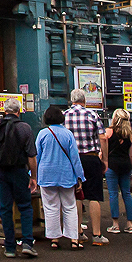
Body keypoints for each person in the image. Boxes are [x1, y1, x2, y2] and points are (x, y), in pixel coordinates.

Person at [0, 96, 38, 258]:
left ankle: (9, 247)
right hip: (19, 170)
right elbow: (31, 155)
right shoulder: (25, 128)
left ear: (4, 110)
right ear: (19, 111)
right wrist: (33, 176)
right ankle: (27, 242)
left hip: (1, 171)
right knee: (25, 207)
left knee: (5, 208)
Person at [36, 105, 85, 250]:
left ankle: (54, 238)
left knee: (50, 207)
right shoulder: (68, 134)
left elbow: (36, 156)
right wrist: (79, 176)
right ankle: (74, 239)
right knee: (70, 207)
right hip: (66, 175)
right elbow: (74, 157)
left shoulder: (42, 134)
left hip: (46, 175)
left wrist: (32, 175)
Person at [65, 89, 107, 246]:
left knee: (77, 195)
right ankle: (97, 235)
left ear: (71, 100)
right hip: (91, 157)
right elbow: (103, 137)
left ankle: (77, 232)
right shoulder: (92, 115)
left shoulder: (64, 115)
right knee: (94, 196)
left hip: (71, 160)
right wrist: (105, 159)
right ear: (84, 100)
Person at [103, 109, 132, 234]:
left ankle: (115, 224)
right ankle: (130, 224)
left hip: (112, 165)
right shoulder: (131, 134)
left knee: (113, 194)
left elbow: (104, 150)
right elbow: (131, 154)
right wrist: (130, 167)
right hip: (125, 165)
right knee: (126, 194)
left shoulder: (109, 132)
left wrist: (104, 163)